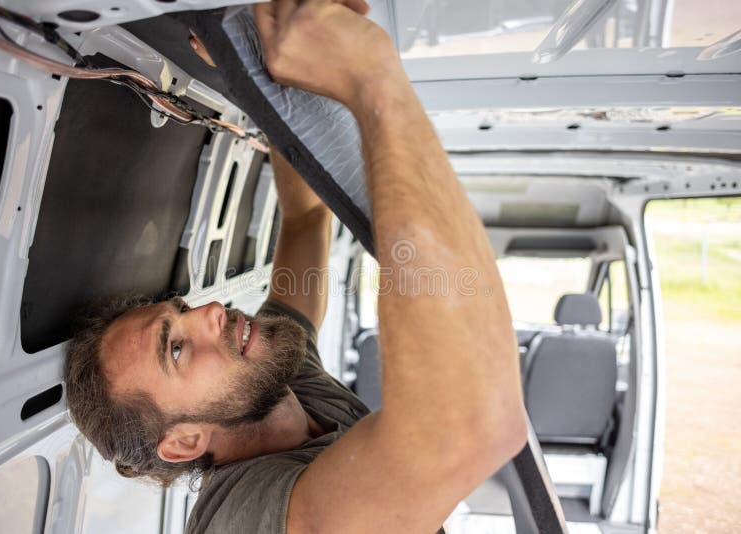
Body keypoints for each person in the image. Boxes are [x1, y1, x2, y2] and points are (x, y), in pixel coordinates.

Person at [64, 1, 527, 532]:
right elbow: (476, 429)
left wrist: (261, 83)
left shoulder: (282, 385)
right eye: (177, 347)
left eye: (184, 309)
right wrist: (371, 79)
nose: (211, 310)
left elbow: (306, 219)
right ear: (186, 441)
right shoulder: (242, 518)